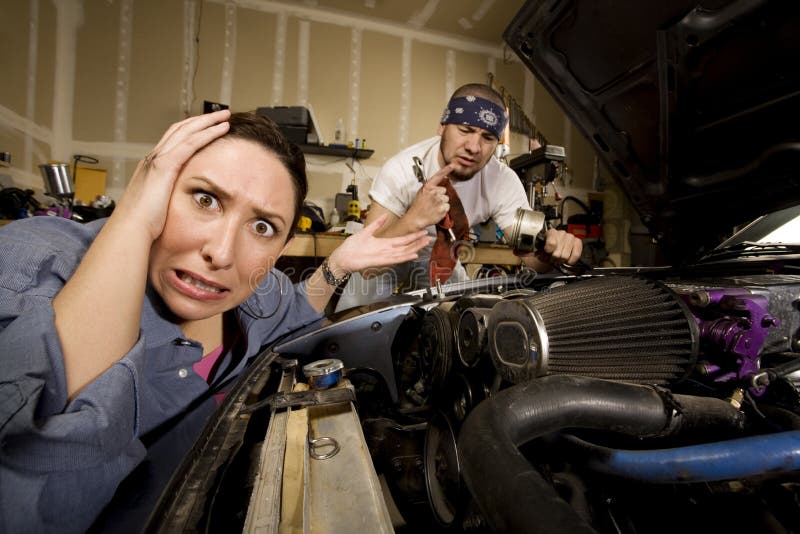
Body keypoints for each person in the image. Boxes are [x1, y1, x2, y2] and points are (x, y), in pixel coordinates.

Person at [0, 109, 430, 532]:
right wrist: (132, 219)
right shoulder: (31, 264)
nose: (222, 254)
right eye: (205, 200)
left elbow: (293, 318)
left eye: (262, 226)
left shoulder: (263, 289)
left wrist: (337, 265)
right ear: (157, 184)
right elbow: (39, 482)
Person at [336, 83, 582, 309]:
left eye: (488, 138)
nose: (474, 147)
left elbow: (533, 260)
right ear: (442, 127)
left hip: (444, 261)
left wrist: (556, 252)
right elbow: (367, 263)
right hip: (388, 259)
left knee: (461, 317)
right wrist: (414, 219)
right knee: (353, 320)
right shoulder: (400, 170)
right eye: (465, 130)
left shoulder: (502, 180)